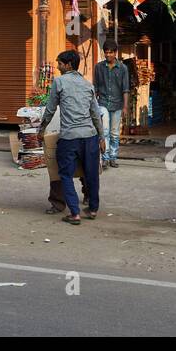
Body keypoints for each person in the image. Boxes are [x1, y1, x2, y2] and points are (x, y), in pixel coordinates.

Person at [38, 49, 104, 225]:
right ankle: (93, 210)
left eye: (60, 64)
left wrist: (41, 130)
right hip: (90, 137)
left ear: (67, 65)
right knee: (91, 175)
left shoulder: (59, 82)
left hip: (69, 138)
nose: (58, 67)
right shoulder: (87, 84)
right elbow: (96, 114)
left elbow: (50, 110)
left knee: (65, 175)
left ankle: (74, 213)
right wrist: (102, 137)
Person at [93, 40, 130, 169]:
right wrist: (93, 106)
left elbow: (125, 89)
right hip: (102, 103)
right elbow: (95, 88)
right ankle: (105, 158)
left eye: (111, 52)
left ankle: (113, 157)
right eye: (106, 52)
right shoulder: (98, 67)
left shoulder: (123, 68)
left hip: (118, 105)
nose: (108, 55)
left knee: (114, 133)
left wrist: (125, 107)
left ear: (115, 53)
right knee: (105, 131)